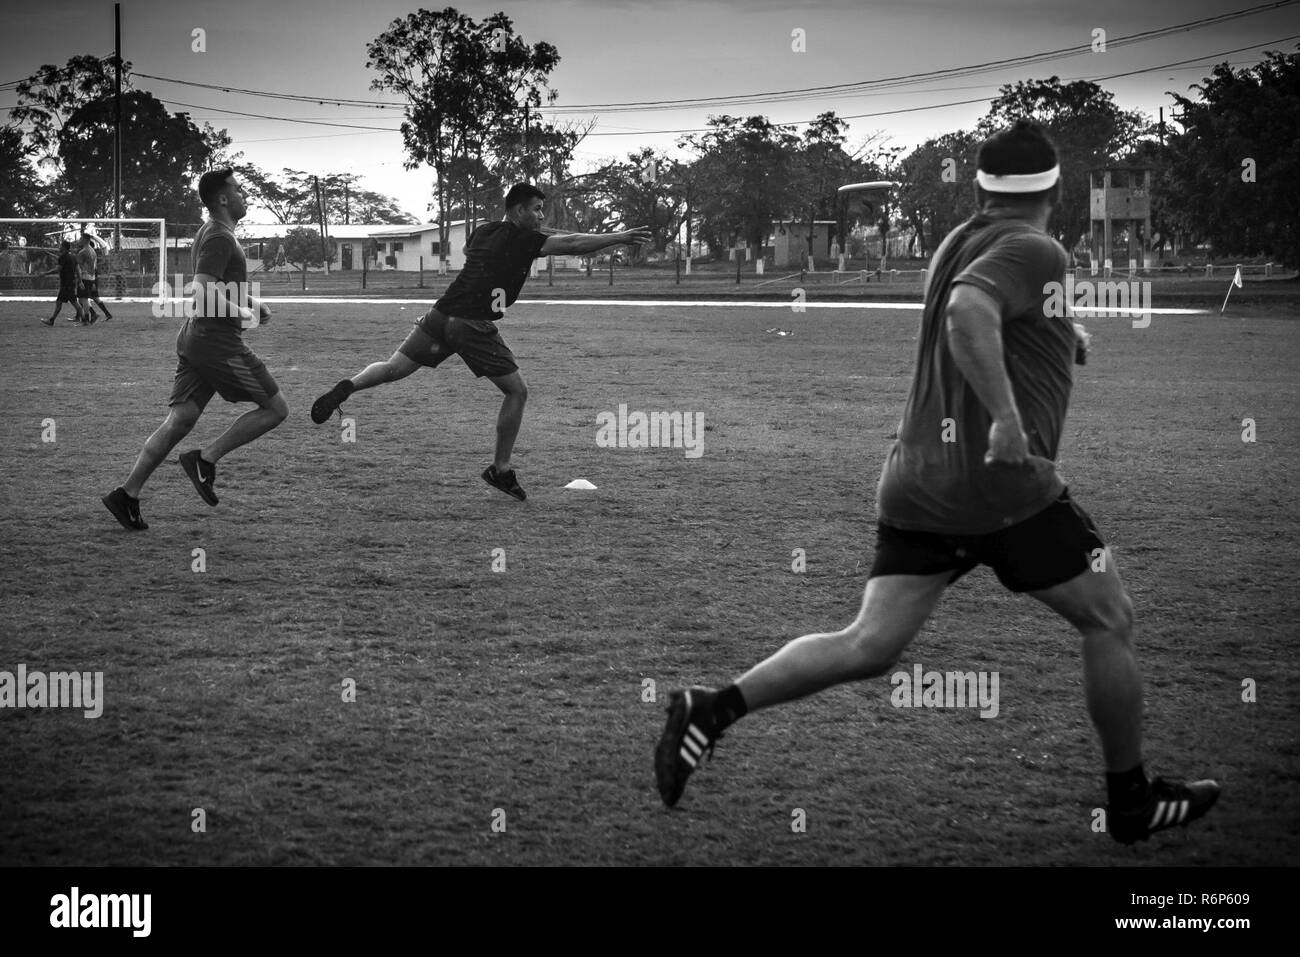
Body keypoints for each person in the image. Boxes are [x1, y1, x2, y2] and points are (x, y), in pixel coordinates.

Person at [654, 120, 1220, 846]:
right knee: (1109, 617)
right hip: (1005, 491)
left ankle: (712, 707)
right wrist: (1008, 419)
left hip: (919, 485)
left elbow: (983, 301)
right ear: (1054, 188)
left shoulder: (959, 240)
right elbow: (968, 311)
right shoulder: (1037, 246)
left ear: (983, 187)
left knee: (868, 643)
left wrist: (1061, 331)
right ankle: (1131, 799)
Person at [309, 183, 651, 500]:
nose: (541, 216)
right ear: (518, 212)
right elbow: (573, 243)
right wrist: (618, 236)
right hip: (470, 324)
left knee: (393, 368)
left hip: (441, 315)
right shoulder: (522, 240)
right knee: (517, 391)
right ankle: (500, 470)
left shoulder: (483, 232)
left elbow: (523, 241)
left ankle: (347, 387)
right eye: (536, 209)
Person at [102, 168, 287, 531]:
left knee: (180, 420)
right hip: (216, 344)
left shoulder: (210, 232)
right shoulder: (220, 237)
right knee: (276, 409)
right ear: (222, 197)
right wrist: (243, 311)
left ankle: (126, 496)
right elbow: (201, 291)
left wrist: (252, 300)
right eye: (238, 189)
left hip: (196, 339)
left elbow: (217, 285)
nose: (244, 194)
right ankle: (206, 459)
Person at [41, 240, 85, 326]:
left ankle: (85, 320)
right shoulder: (73, 257)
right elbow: (78, 270)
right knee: (60, 302)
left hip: (66, 284)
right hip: (71, 283)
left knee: (73, 303)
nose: (59, 247)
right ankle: (52, 320)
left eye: (60, 246)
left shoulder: (63, 257)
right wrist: (80, 281)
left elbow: (58, 269)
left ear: (64, 247)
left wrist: (45, 273)